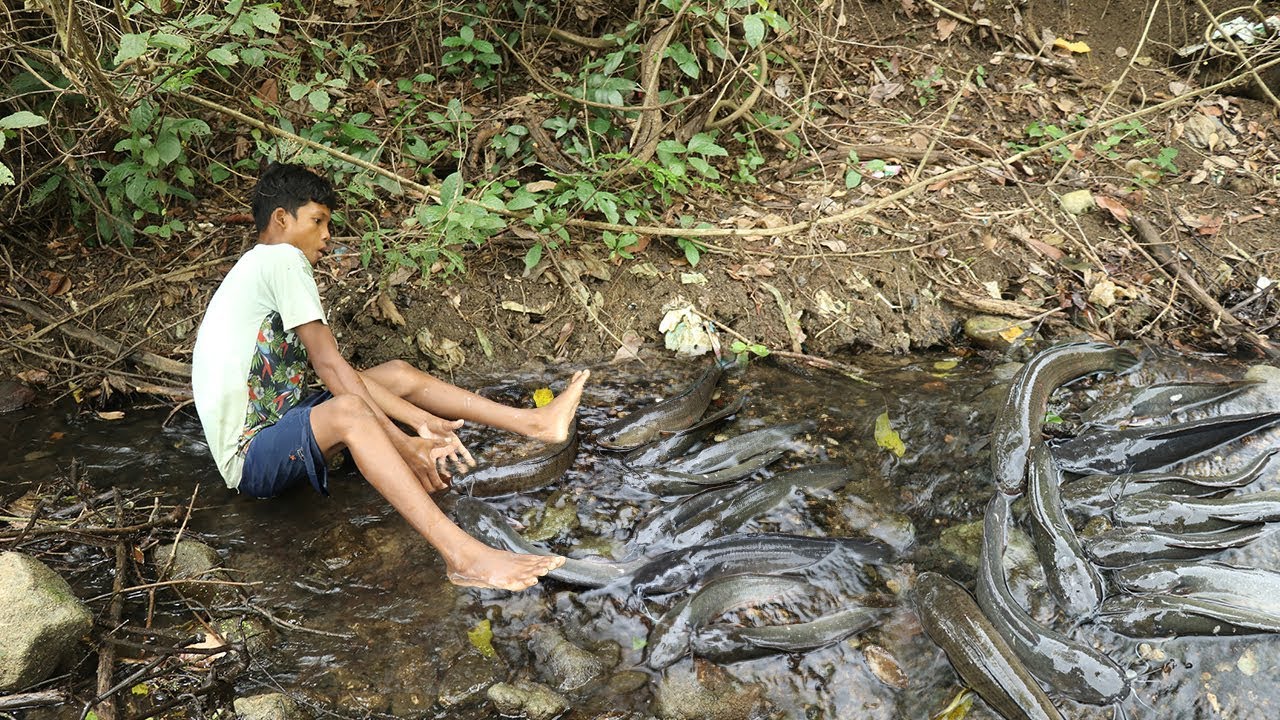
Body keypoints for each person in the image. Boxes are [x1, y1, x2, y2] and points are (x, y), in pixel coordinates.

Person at [191, 162, 587, 591]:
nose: (327, 236)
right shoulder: (282, 260)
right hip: (251, 459)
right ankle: (462, 556)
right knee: (348, 412)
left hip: (275, 429)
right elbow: (329, 368)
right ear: (282, 219)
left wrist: (417, 421)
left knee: (394, 375)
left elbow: (341, 374)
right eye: (318, 221)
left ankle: (534, 423)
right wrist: (405, 446)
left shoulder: (259, 266)